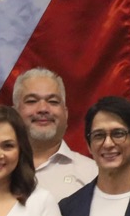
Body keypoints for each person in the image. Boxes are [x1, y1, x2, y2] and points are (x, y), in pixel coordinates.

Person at [12, 67, 97, 200]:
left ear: (66, 114)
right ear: (14, 113)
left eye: (53, 101)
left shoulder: (92, 174)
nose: (43, 109)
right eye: (32, 101)